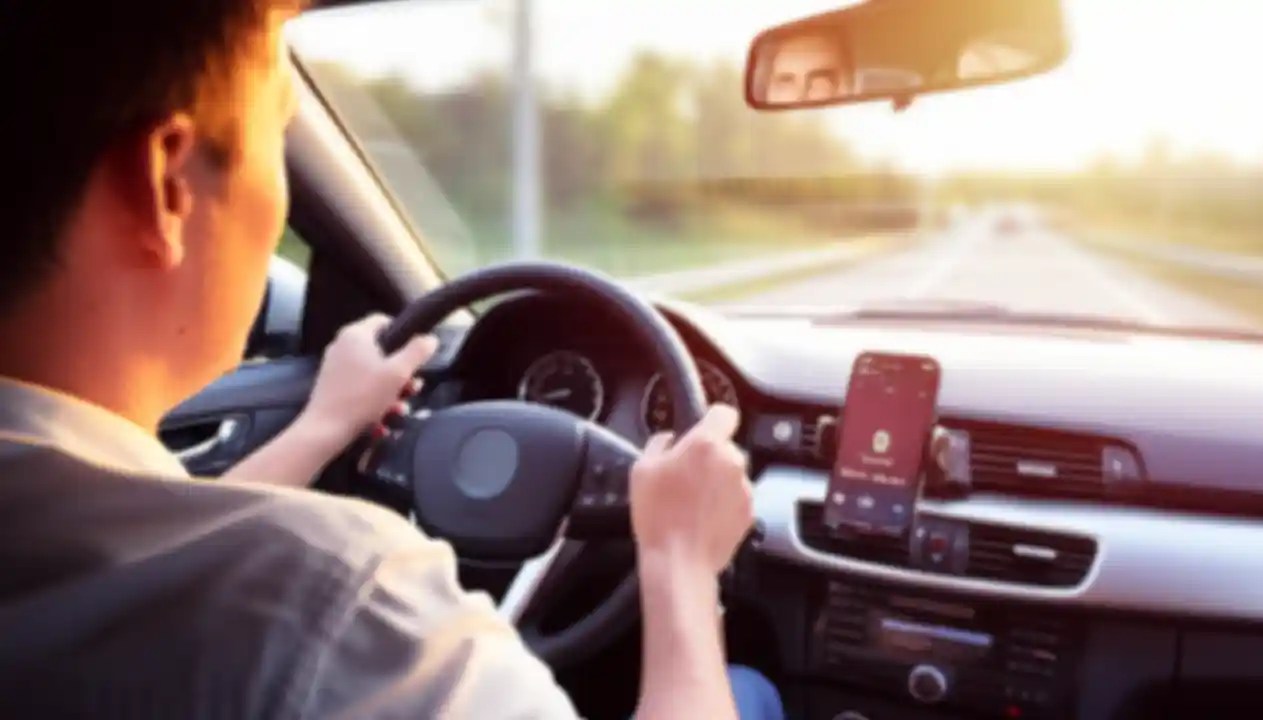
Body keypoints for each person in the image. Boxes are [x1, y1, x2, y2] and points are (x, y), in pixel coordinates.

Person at [0, 2, 784, 718]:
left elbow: (148, 557)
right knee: (745, 692)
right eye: (278, 136)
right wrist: (680, 568)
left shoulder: (72, 546)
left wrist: (325, 423)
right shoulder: (338, 609)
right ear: (168, 184)